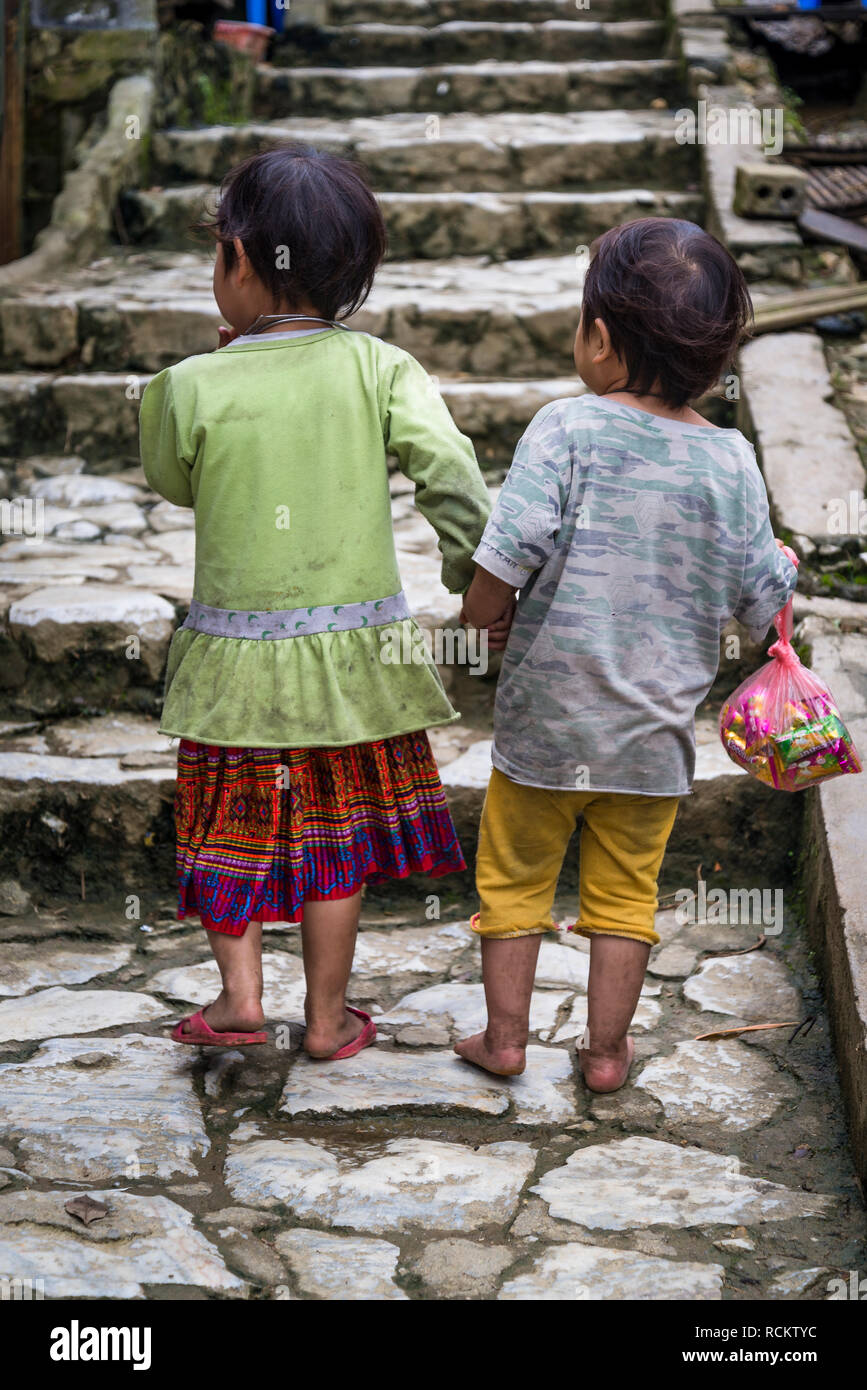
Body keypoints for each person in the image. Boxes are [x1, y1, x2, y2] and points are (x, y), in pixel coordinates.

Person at [139, 144, 495, 1058]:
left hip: (231, 665)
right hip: (355, 663)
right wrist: (472, 577)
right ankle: (329, 1018)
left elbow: (177, 483)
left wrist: (229, 384)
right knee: (332, 842)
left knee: (229, 829)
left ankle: (238, 999)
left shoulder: (184, 387)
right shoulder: (381, 369)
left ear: (238, 260)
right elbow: (450, 472)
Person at [455, 217, 799, 1091]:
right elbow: (764, 602)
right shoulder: (731, 461)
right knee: (623, 898)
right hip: (651, 739)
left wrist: (481, 619)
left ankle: (503, 1039)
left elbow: (503, 557)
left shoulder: (564, 430)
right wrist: (780, 574)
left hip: (545, 726)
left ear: (599, 339)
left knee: (513, 882)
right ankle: (605, 1054)